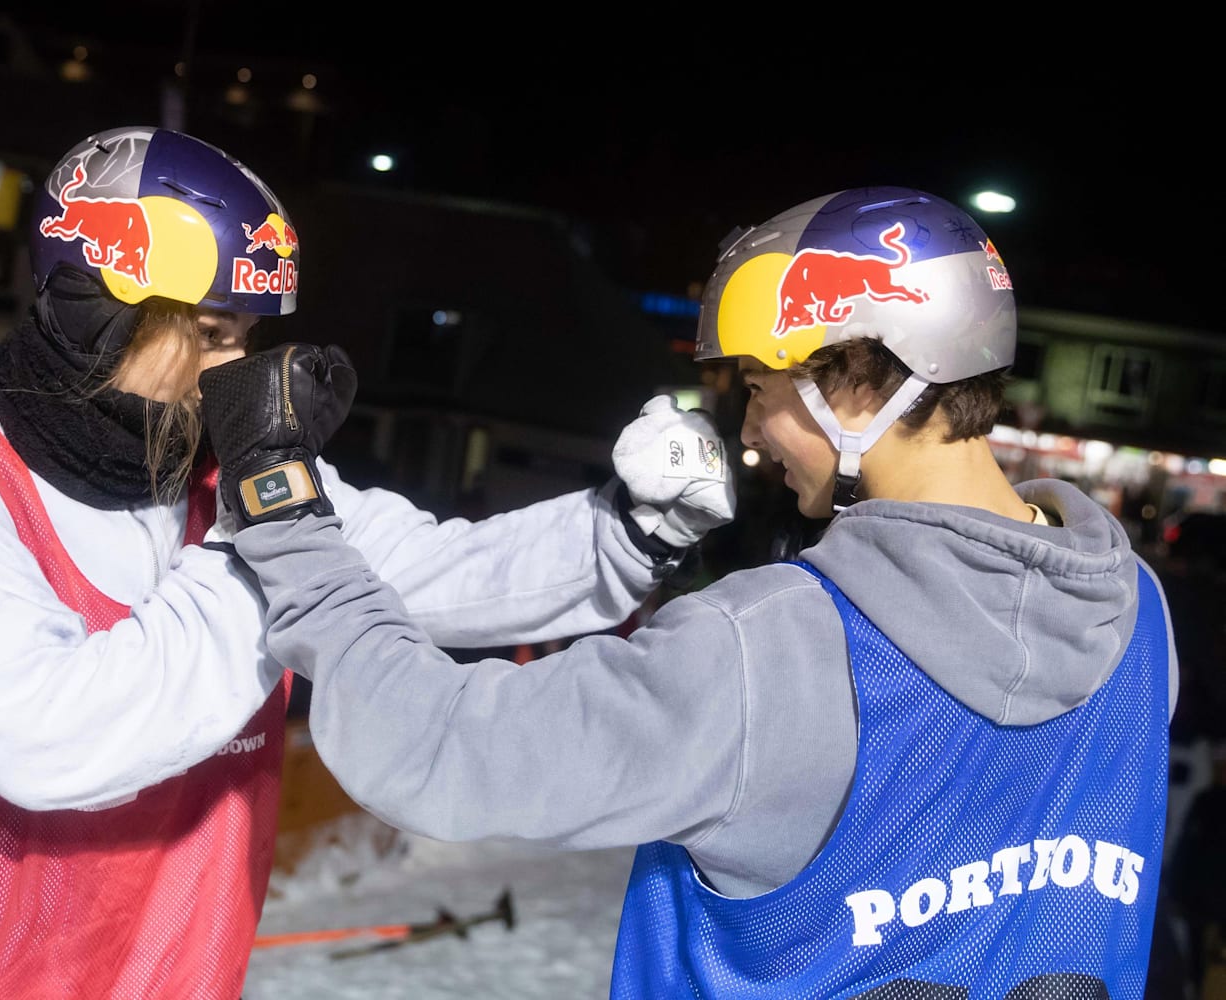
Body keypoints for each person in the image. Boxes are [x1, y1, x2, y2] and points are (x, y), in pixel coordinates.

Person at [0, 126, 736, 1000]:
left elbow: (442, 575)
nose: (233, 372)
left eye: (246, 338)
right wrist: (267, 530)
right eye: (211, 335)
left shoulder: (224, 476)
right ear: (99, 314)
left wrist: (628, 529)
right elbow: (53, 739)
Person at [220, 186, 1178, 997]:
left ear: (853, 382)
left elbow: (439, 749)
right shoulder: (1138, 619)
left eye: (759, 388)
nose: (752, 433)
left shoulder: (773, 651)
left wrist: (290, 524)